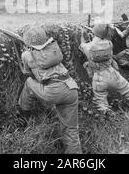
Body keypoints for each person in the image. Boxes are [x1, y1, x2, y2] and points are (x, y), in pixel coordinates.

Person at [18, 26, 82, 154]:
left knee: (29, 83)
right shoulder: (54, 49)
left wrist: (27, 54)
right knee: (71, 129)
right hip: (70, 87)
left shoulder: (27, 54)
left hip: (52, 91)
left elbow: (27, 73)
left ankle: (22, 114)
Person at [79, 24, 129, 114]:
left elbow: (83, 45)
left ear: (95, 34)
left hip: (98, 77)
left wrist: (83, 36)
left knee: (100, 100)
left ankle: (108, 114)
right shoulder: (109, 44)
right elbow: (101, 42)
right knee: (127, 89)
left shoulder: (89, 47)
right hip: (112, 74)